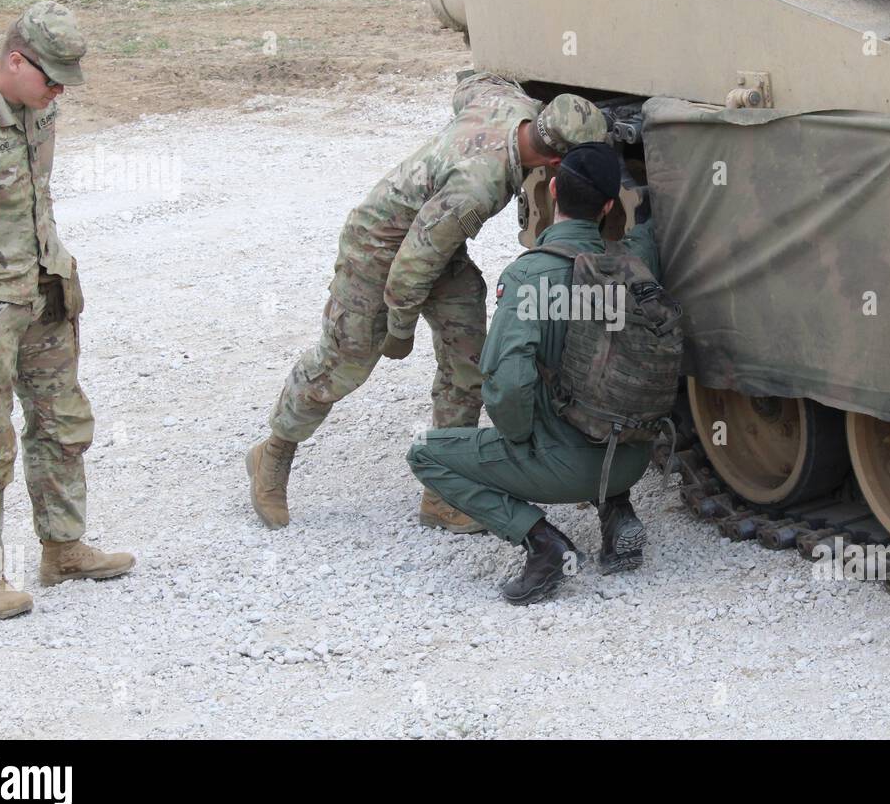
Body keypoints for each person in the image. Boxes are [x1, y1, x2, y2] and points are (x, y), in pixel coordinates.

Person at [246, 73, 607, 533]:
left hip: (434, 244)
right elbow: (411, 266)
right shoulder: (479, 186)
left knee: (469, 360)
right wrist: (399, 331)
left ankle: (443, 493)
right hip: (378, 246)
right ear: (556, 162)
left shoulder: (507, 102)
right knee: (346, 359)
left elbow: (469, 85)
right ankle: (272, 454)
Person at [0, 1, 134, 620]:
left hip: (41, 298)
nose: (60, 88)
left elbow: (35, 200)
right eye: (51, 75)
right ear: (14, 61)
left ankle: (63, 549)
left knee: (62, 425)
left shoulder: (38, 108)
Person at [408, 142, 657, 604]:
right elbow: (643, 230)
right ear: (607, 207)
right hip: (631, 458)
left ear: (553, 191)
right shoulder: (636, 266)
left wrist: (521, 442)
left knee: (425, 454)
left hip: (563, 468)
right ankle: (618, 514)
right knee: (604, 385)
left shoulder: (531, 276)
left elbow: (506, 383)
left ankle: (544, 545)